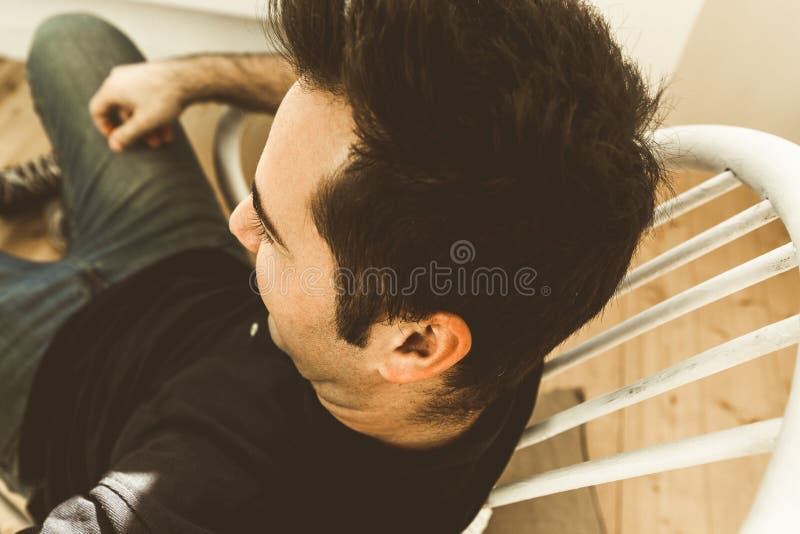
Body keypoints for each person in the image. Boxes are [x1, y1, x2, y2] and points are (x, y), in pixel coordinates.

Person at [0, 1, 665, 532]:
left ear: (413, 343)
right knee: (73, 38)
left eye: (274, 230)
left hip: (51, 384)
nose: (240, 223)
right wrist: (189, 77)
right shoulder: (521, 265)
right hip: (182, 274)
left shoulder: (220, 492)